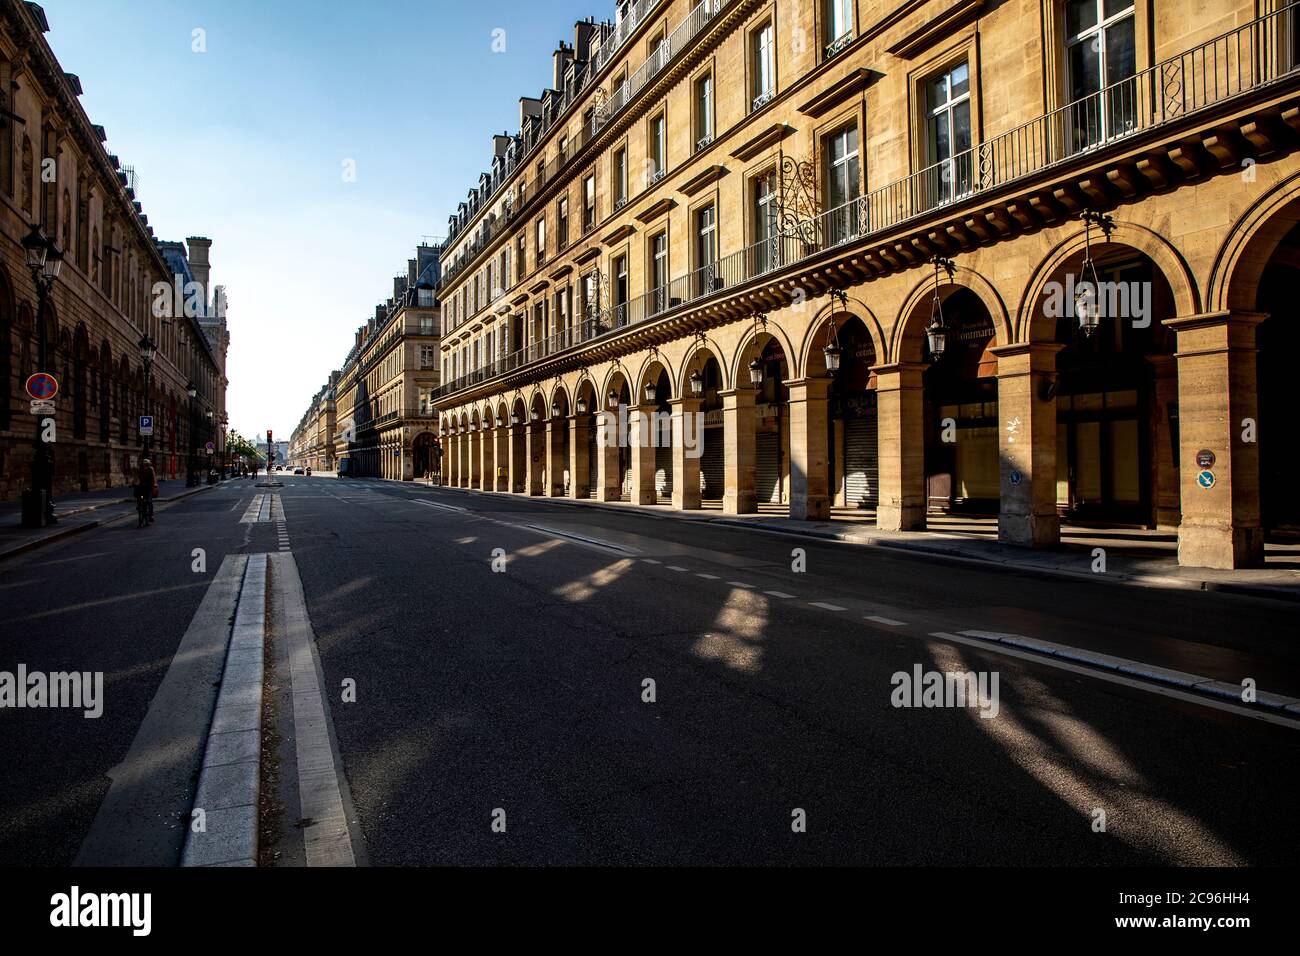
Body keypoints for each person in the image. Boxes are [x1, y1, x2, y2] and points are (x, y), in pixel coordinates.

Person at [136, 457, 157, 524]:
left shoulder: (151, 470)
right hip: (142, 487)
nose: (145, 466)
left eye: (146, 464)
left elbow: (154, 478)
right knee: (140, 497)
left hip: (149, 488)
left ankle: (151, 515)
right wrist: (133, 483)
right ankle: (139, 505)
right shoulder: (140, 470)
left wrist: (154, 485)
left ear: (148, 465)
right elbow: (136, 477)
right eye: (144, 464)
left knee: (149, 501)